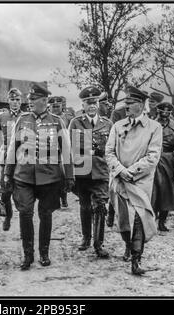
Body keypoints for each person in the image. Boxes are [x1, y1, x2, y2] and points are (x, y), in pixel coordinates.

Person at [4, 83, 74, 270]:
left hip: (49, 178)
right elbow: (13, 147)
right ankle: (28, 254)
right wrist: (7, 173)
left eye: (34, 100)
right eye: (29, 100)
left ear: (44, 101)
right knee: (25, 213)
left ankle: (44, 252)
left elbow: (66, 150)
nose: (30, 103)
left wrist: (69, 176)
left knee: (46, 214)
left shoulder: (57, 121)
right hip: (24, 176)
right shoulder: (22, 120)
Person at [105, 85, 162, 275]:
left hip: (140, 181)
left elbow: (153, 157)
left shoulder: (154, 128)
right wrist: (121, 171)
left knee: (140, 217)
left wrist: (132, 171)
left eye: (130, 103)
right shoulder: (117, 126)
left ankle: (136, 260)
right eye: (125, 103)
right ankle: (128, 246)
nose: (126, 106)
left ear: (141, 105)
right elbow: (109, 152)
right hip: (120, 180)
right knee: (123, 219)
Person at [68, 86, 113, 258]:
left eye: (94, 102)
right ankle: (86, 238)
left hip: (101, 171)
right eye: (88, 103)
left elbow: (111, 149)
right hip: (82, 172)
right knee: (85, 206)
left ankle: (98, 244)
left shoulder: (107, 124)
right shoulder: (76, 122)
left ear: (98, 104)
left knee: (100, 206)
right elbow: (70, 147)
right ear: (83, 104)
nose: (92, 106)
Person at [152, 102, 174, 231]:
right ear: (158, 112)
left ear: (170, 114)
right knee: (152, 191)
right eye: (162, 114)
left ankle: (162, 222)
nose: (164, 117)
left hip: (168, 162)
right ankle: (151, 219)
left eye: (167, 114)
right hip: (152, 161)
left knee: (167, 192)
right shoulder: (150, 125)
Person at [0, 88, 23, 231]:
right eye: (12, 100)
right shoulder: (1, 118)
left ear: (21, 101)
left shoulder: (26, 117)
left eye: (17, 100)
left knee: (22, 194)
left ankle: (25, 223)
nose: (15, 103)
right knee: (5, 193)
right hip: (5, 160)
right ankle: (8, 217)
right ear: (8, 101)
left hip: (22, 160)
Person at [48, 96, 70, 208]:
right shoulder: (47, 118)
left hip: (63, 148)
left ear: (62, 106)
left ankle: (64, 197)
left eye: (58, 106)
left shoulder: (67, 118)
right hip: (50, 149)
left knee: (62, 174)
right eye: (53, 106)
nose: (56, 108)